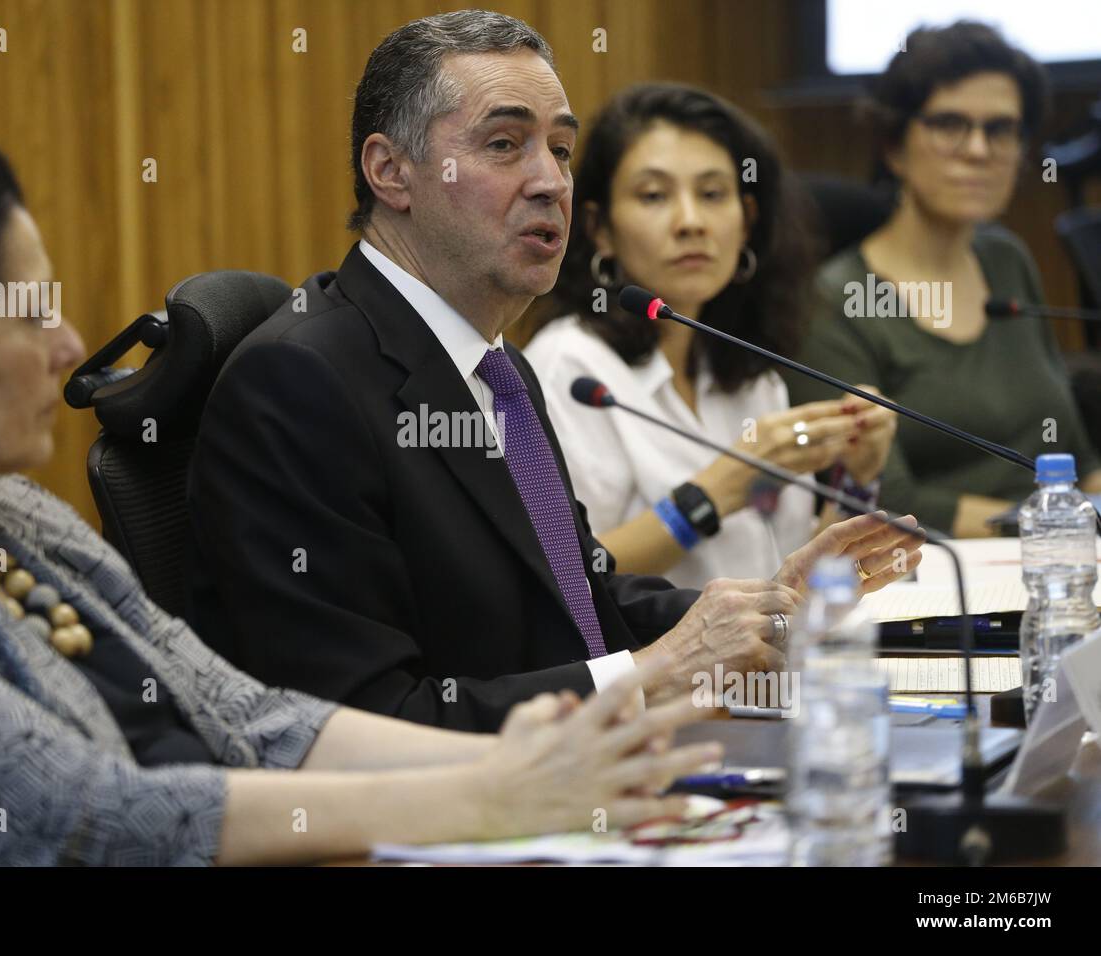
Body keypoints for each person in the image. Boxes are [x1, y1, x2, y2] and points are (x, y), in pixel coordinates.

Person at [0, 136, 724, 866]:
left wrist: (534, 771)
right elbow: (90, 823)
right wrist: (485, 799)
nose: (69, 342)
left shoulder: (4, 512)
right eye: (33, 311)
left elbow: (249, 717)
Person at [186, 10, 922, 733]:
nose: (550, 182)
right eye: (505, 145)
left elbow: (578, 600)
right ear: (390, 172)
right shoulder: (298, 384)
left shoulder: (497, 368)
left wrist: (768, 607)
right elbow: (360, 720)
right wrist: (654, 673)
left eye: (562, 150)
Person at [524, 83, 897, 590]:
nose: (691, 222)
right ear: (600, 229)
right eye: (654, 195)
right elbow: (571, 579)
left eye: (713, 194)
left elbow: (794, 580)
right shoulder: (568, 368)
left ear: (747, 221)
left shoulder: (749, 371)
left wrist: (857, 479)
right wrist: (716, 493)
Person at [786, 20, 1101, 537]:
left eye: (1001, 129)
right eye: (950, 124)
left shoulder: (1007, 259)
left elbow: (1076, 456)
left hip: (1061, 560)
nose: (978, 149)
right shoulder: (835, 301)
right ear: (894, 146)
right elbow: (887, 499)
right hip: (933, 581)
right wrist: (1061, 522)